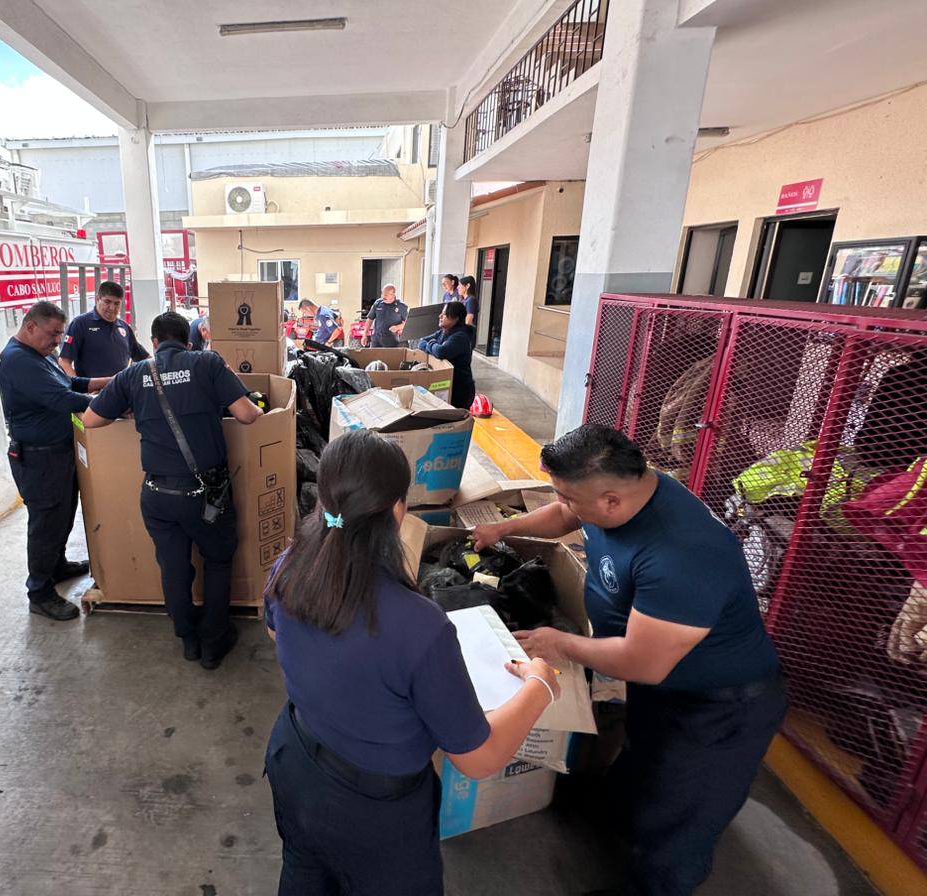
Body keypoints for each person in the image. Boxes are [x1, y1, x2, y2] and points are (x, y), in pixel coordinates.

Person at [472, 425, 786, 896]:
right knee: (639, 769)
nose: (564, 504)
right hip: (666, 691)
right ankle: (616, 820)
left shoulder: (683, 553)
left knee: (679, 820)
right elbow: (565, 514)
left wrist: (560, 644)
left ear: (612, 501)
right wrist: (505, 528)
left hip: (719, 708)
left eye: (570, 497)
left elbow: (643, 662)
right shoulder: (621, 493)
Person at [263, 430, 559, 895]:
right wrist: (540, 684)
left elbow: (277, 633)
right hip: (374, 810)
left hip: (295, 763)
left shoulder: (290, 564)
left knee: (305, 873)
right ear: (398, 510)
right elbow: (478, 759)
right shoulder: (419, 625)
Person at [82, 311, 261, 668]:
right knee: (218, 562)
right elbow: (248, 414)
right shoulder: (206, 363)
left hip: (157, 495)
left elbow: (90, 419)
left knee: (174, 567)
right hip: (205, 495)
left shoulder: (134, 373)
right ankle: (213, 644)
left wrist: (133, 410)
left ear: (153, 343)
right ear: (189, 340)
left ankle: (188, 640)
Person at [0, 301, 111, 620]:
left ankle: (57, 566)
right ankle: (40, 592)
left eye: (60, 334)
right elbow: (62, 399)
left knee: (63, 515)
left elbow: (71, 384)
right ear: (31, 326)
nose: (57, 341)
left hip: (57, 453)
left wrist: (112, 381)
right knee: (46, 523)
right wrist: (110, 404)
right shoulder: (18, 360)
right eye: (53, 333)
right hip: (38, 458)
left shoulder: (39, 356)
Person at [58, 280, 150, 378]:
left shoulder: (124, 327)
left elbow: (144, 359)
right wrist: (78, 386)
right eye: (107, 302)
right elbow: (64, 361)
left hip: (121, 390)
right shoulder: (80, 324)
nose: (112, 308)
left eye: (116, 303)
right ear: (97, 299)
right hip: (93, 392)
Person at [417, 301, 475, 408]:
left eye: (444, 314)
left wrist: (431, 344)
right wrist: (433, 346)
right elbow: (421, 342)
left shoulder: (460, 337)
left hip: (460, 391)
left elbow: (441, 352)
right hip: (448, 385)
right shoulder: (443, 331)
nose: (440, 316)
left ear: (456, 318)